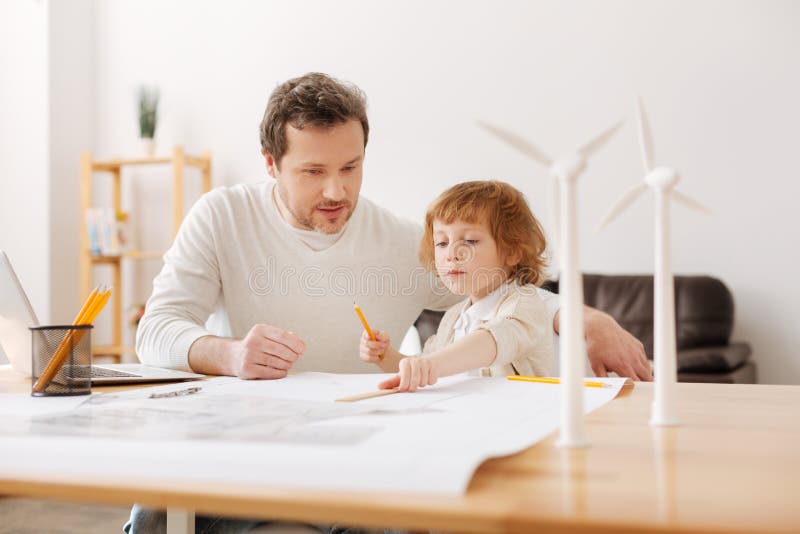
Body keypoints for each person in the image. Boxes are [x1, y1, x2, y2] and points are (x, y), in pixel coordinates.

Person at [126, 72, 651, 534]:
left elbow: (507, 292)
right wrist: (229, 354)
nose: (337, 190)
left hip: (360, 456)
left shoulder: (401, 243)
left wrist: (591, 320)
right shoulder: (221, 217)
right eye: (313, 172)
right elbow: (156, 331)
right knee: (155, 512)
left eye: (351, 167)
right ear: (271, 163)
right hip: (251, 445)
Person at [360, 180, 554, 391]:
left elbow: (492, 341)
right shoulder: (454, 317)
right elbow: (421, 370)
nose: (451, 253)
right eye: (442, 243)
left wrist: (430, 365)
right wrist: (385, 355)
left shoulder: (525, 305)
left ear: (512, 251)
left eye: (470, 241)